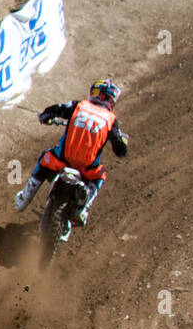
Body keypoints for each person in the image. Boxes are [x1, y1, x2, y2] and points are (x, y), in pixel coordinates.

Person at [14, 78, 128, 224]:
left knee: (45, 159)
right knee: (100, 176)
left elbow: (55, 109)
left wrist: (45, 117)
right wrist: (122, 142)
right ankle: (83, 208)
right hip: (87, 168)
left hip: (62, 160)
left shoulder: (79, 106)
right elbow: (121, 151)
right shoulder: (111, 120)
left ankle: (24, 198)